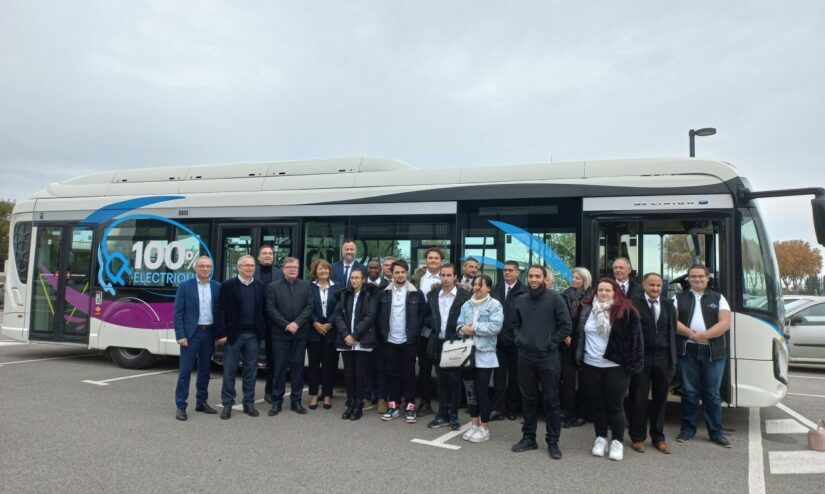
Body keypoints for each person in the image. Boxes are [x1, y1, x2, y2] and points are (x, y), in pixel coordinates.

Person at [574, 278, 644, 461]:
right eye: (600, 290)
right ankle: (601, 438)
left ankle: (618, 441)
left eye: (608, 290)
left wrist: (634, 365)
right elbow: (578, 335)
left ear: (615, 293)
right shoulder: (586, 309)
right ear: (595, 292)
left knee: (615, 405)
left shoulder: (626, 311)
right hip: (590, 364)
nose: (604, 293)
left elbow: (636, 341)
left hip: (616, 367)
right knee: (598, 404)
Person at [510, 266, 572, 460]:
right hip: (525, 356)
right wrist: (520, 338)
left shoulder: (555, 298)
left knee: (551, 401)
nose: (534, 279)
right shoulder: (521, 299)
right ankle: (529, 437)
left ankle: (553, 441)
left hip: (548, 357)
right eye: (530, 276)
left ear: (545, 278)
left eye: (538, 276)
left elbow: (566, 325)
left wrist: (551, 342)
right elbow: (514, 325)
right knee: (528, 399)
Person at [674, 264, 732, 448]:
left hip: (713, 352)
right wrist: (693, 335)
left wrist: (704, 336)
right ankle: (687, 430)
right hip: (687, 350)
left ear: (707, 278)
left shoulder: (719, 298)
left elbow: (725, 324)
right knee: (689, 392)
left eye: (701, 276)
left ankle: (716, 433)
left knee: (712, 394)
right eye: (693, 276)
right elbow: (673, 322)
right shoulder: (678, 297)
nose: (697, 279)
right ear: (688, 279)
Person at [628, 272, 677, 454]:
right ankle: (637, 437)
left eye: (658, 285)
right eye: (651, 285)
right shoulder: (634, 304)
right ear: (644, 285)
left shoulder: (669, 306)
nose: (655, 288)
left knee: (661, 399)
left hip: (664, 358)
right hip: (642, 357)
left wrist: (673, 359)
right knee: (638, 398)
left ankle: (658, 437)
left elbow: (672, 331)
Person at [215, 255, 267, 419]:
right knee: (229, 370)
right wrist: (221, 333)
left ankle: (248, 403)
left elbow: (264, 311)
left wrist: (262, 331)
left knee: (250, 371)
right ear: (239, 267)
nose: (250, 268)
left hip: (253, 335)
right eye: (246, 265)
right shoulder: (228, 285)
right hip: (233, 335)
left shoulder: (260, 286)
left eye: (252, 265)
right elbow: (220, 310)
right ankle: (227, 404)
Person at [423, 264, 471, 431]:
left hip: (455, 342)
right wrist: (434, 324)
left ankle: (454, 414)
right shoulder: (432, 295)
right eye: (442, 275)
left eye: (448, 275)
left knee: (455, 381)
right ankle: (441, 414)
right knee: (441, 380)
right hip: (437, 342)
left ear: (455, 276)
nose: (445, 278)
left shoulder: (465, 296)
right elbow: (426, 316)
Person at [457, 275, 504, 443]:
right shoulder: (466, 304)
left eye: (480, 285)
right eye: (475, 284)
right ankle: (474, 424)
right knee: (470, 391)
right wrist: (462, 328)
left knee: (481, 390)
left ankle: (484, 427)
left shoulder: (495, 305)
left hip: (485, 353)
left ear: (488, 288)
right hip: (467, 353)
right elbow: (459, 324)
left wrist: (474, 328)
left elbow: (495, 327)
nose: (476, 287)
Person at [173, 256, 221, 421]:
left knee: (205, 371)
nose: (206, 269)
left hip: (209, 334)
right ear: (195, 268)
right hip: (191, 334)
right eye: (202, 266)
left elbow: (220, 312)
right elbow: (178, 313)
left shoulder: (217, 287)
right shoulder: (185, 287)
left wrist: (219, 334)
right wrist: (181, 335)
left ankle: (201, 401)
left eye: (208, 266)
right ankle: (181, 405)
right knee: (185, 372)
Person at [377, 259, 425, 423]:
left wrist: (415, 332)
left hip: (408, 341)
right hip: (389, 340)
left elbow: (422, 315)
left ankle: (410, 405)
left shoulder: (416, 293)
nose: (400, 275)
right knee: (392, 374)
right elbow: (378, 315)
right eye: (397, 272)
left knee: (409, 375)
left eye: (403, 272)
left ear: (407, 273)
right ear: (391, 274)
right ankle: (394, 406)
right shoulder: (384, 292)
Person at [265, 257, 314, 416]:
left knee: (298, 369)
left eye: (295, 267)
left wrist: (296, 324)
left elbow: (309, 307)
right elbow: (270, 309)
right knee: (279, 368)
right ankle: (276, 402)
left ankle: (296, 402)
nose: (292, 269)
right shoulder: (273, 287)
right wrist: (286, 324)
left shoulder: (306, 286)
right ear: (283, 269)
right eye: (289, 267)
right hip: (280, 334)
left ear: (298, 269)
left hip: (300, 334)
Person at [335, 269, 379, 420]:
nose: (354, 280)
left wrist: (355, 335)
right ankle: (351, 403)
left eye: (357, 278)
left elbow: (370, 316)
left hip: (362, 340)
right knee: (348, 374)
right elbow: (338, 315)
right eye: (352, 278)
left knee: (360, 374)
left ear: (363, 279)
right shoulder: (344, 294)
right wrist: (346, 335)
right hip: (346, 339)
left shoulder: (370, 294)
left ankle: (359, 404)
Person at [491, 260, 527, 421]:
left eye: (511, 270)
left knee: (515, 377)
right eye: (505, 270)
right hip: (498, 340)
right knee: (499, 376)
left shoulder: (524, 291)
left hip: (515, 342)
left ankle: (512, 408)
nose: (507, 273)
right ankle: (498, 408)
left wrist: (518, 336)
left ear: (518, 273)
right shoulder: (496, 289)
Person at [412, 247, 444, 416]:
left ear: (441, 261)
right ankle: (425, 402)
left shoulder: (447, 277)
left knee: (441, 370)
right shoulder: (418, 278)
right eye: (430, 258)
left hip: (439, 332)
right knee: (424, 370)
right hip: (422, 332)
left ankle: (444, 406)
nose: (433, 260)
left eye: (436, 258)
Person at [560, 267, 593, 428]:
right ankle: (568, 413)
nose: (574, 280)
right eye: (573, 277)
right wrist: (565, 336)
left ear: (585, 281)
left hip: (585, 343)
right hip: (567, 344)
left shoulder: (592, 298)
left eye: (577, 278)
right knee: (568, 381)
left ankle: (582, 414)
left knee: (586, 382)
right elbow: (560, 317)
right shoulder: (564, 295)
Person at [307, 259, 341, 410]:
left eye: (326, 269)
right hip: (313, 332)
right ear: (315, 271)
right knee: (314, 365)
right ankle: (314, 394)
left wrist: (330, 323)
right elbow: (306, 307)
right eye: (320, 269)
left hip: (331, 332)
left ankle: (327, 395)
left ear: (329, 271)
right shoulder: (308, 287)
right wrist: (315, 322)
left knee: (329, 365)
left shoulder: (338, 287)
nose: (323, 271)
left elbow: (340, 308)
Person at [253, 244, 283, 405]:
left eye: (270, 253)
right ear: (258, 257)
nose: (267, 256)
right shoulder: (252, 271)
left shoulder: (279, 273)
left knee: (273, 360)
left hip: (273, 323)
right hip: (254, 322)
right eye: (264, 253)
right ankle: (248, 394)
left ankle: (269, 391)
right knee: (251, 359)